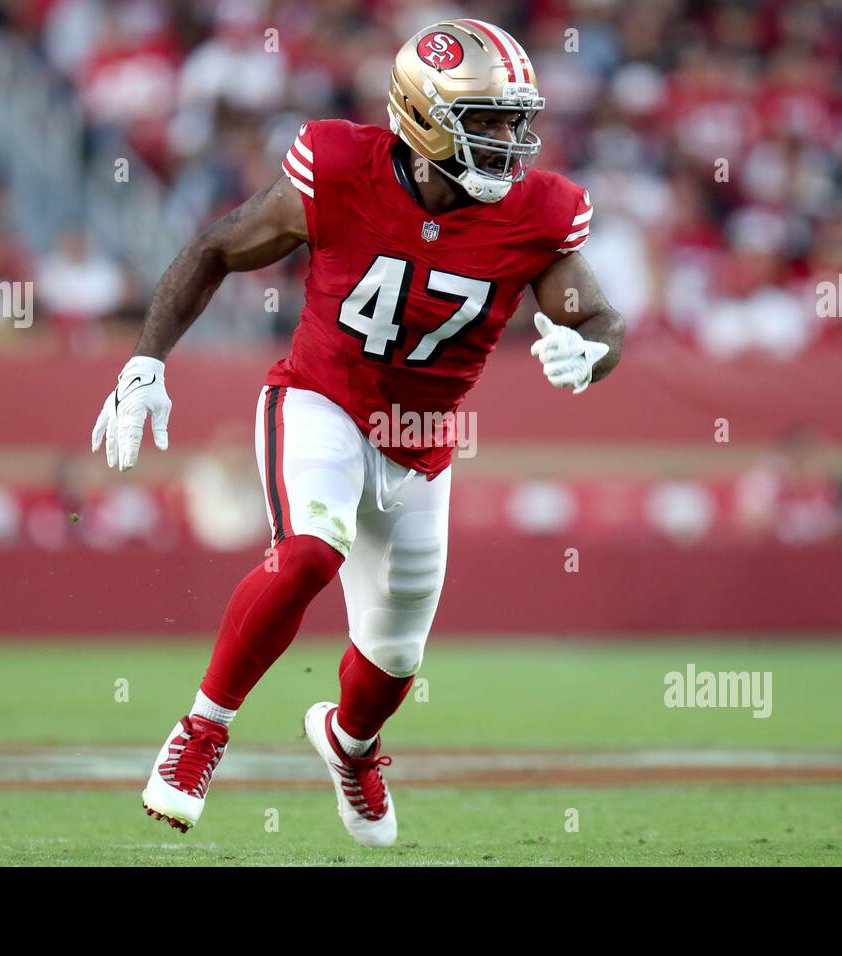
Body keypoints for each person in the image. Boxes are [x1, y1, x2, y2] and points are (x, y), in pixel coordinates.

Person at [90, 19, 624, 848]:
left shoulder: (537, 213)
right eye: (486, 119)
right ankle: (202, 730)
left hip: (421, 443)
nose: (510, 140)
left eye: (517, 119)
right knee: (310, 552)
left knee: (395, 656)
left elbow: (597, 317)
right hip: (319, 402)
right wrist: (144, 364)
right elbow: (216, 248)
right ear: (422, 117)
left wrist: (590, 353)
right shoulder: (341, 169)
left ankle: (349, 746)